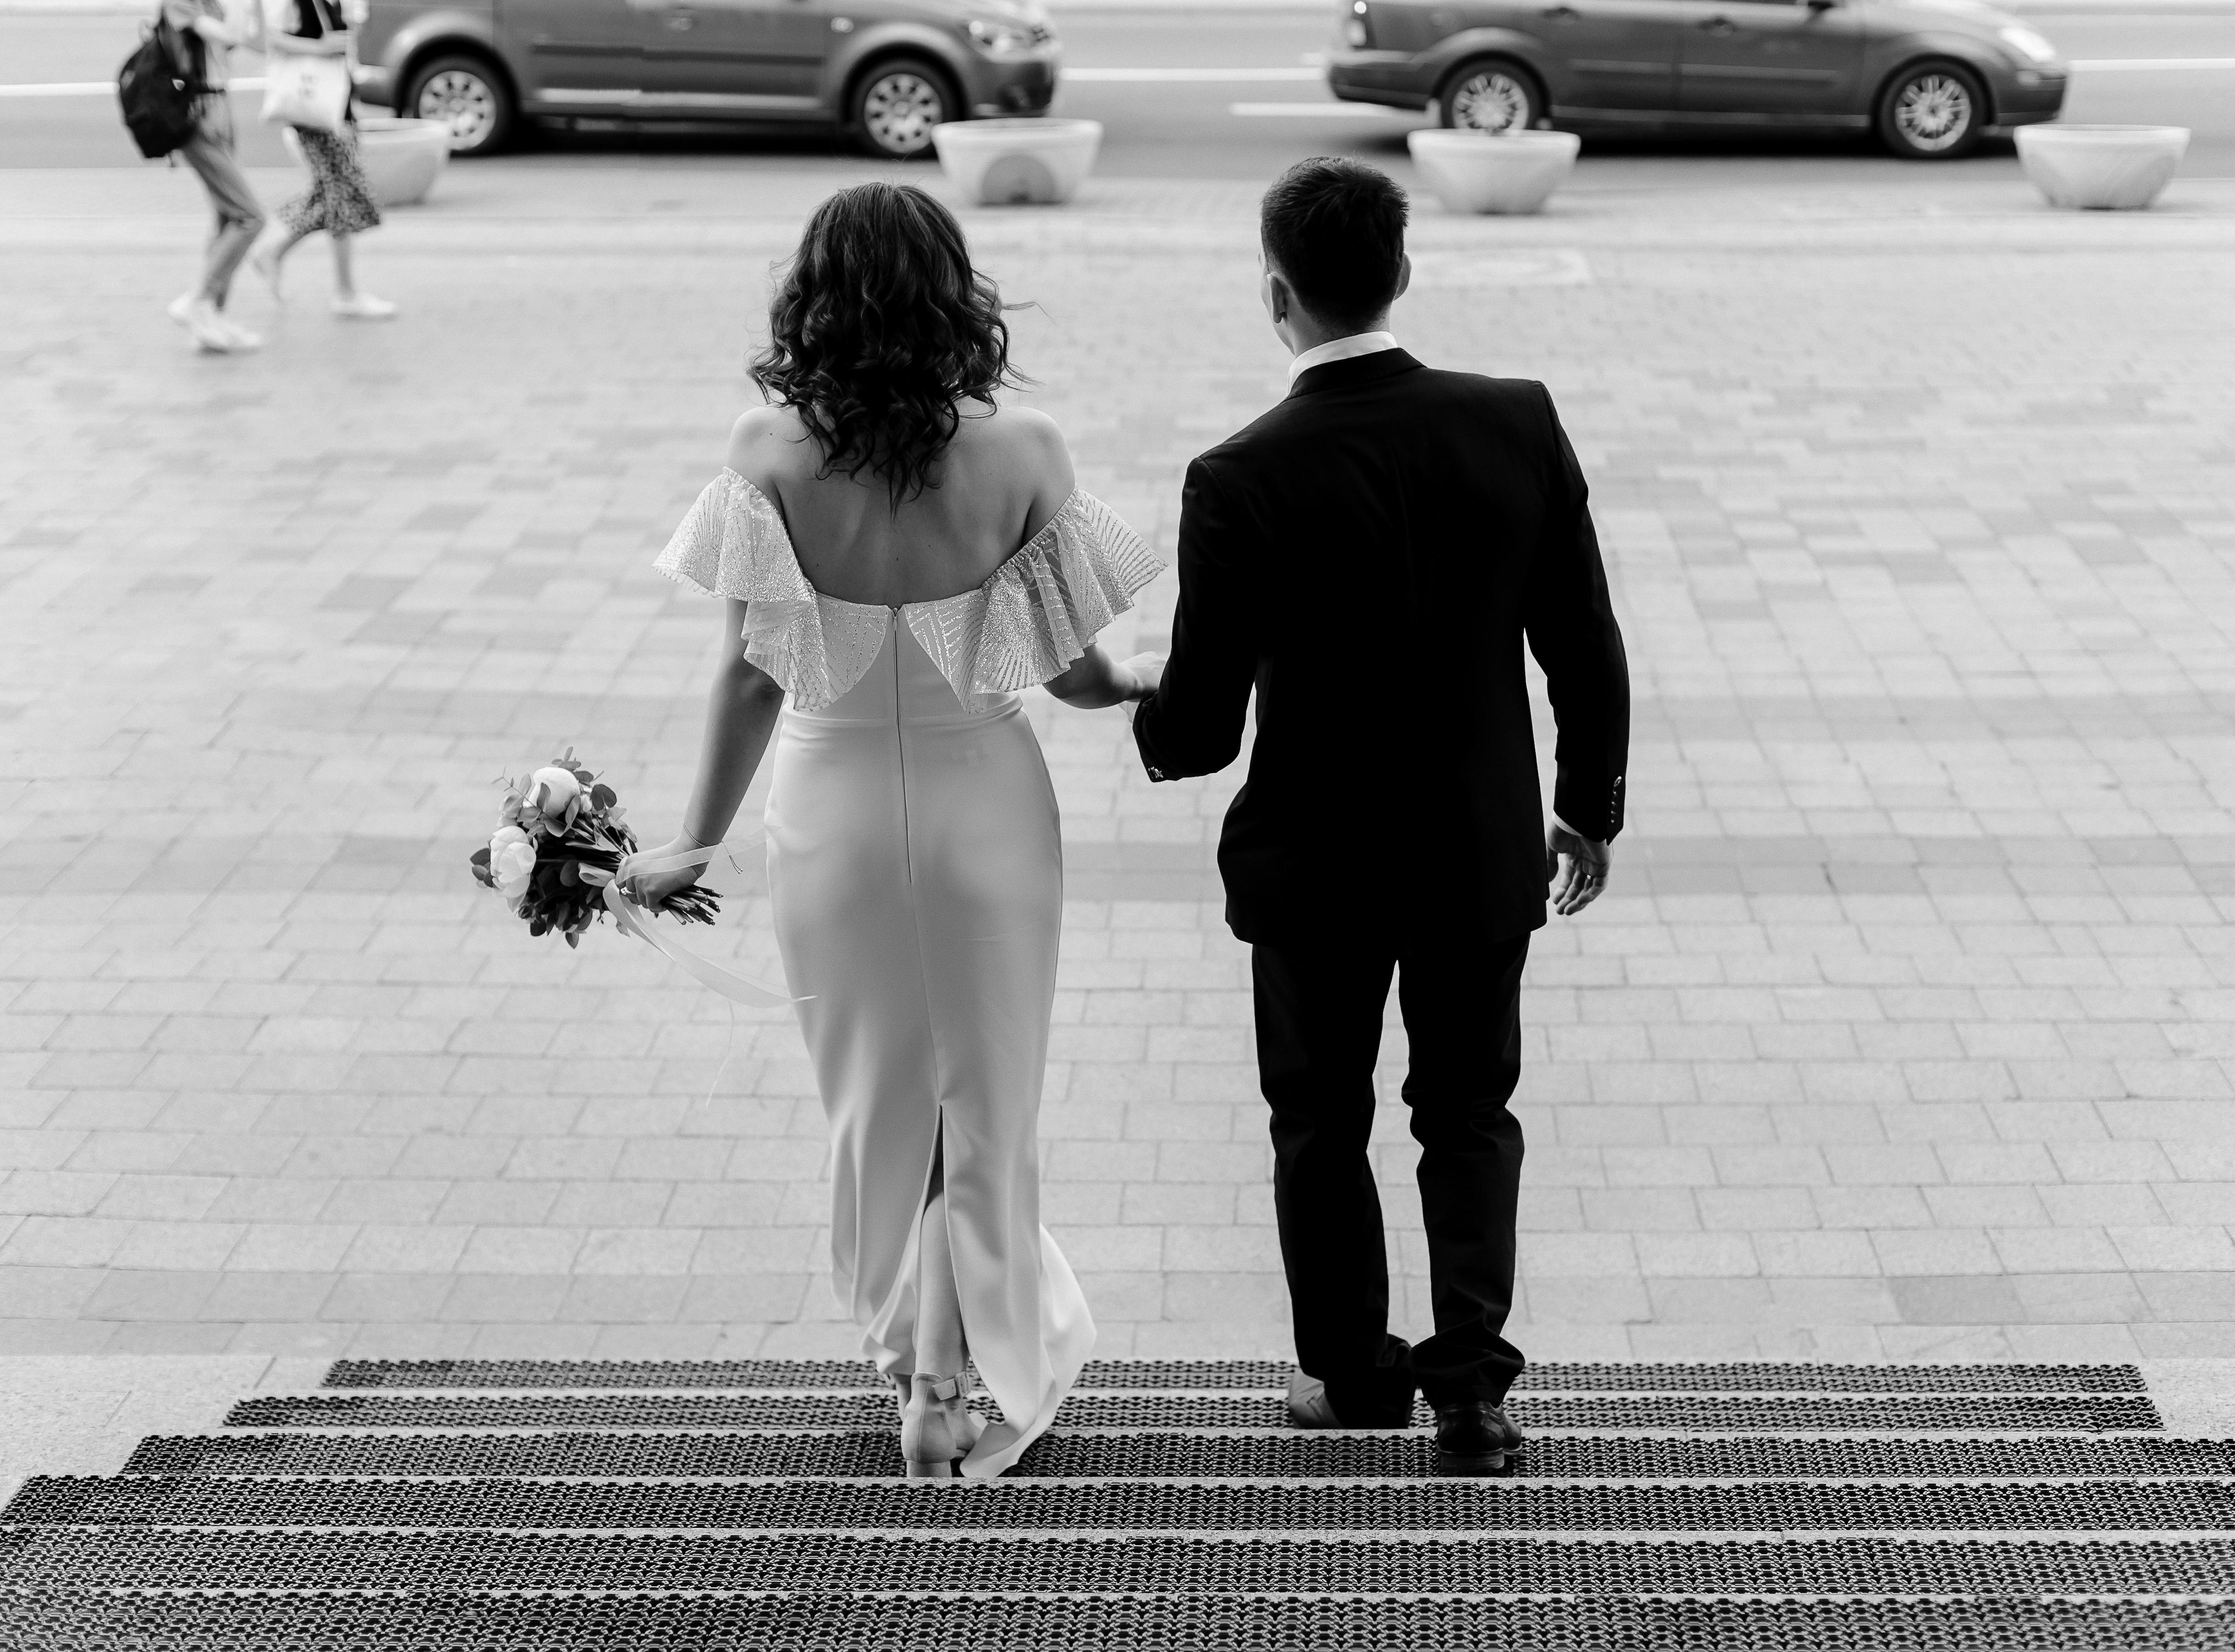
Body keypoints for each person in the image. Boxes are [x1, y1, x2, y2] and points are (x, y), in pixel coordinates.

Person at [630, 183, 1165, 1479]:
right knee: (984, 1100)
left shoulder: (766, 455)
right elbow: (1075, 678)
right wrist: (1163, 686)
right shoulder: (1026, 453)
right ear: (954, 297)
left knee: (879, 1104)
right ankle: (961, 1378)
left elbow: (752, 677)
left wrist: (690, 848)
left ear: (813, 300)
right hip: (986, 813)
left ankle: (920, 1366)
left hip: (836, 817)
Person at [1128, 157, 1630, 1476]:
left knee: (1320, 1118)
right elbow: (1583, 643)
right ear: (1404, 273)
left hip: (1317, 862)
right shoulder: (1516, 421)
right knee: (1468, 1111)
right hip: (1477, 847)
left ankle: (1354, 1378)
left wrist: (1136, 711)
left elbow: (1203, 724)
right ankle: (1472, 1395)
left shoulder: (1239, 476)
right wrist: (1587, 807)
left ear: (1276, 296)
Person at [246, 0, 396, 320]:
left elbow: (349, 43)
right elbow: (267, 41)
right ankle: (345, 292)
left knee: (333, 193)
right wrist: (319, 47)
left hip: (337, 102)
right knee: (342, 192)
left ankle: (275, 253)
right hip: (312, 108)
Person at [161, 0, 266, 353]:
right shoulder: (182, 3)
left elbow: (257, 43)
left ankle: (211, 320)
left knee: (227, 218)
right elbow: (225, 34)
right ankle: (199, 300)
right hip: (198, 117)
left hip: (221, 109)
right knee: (251, 217)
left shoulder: (212, 3)